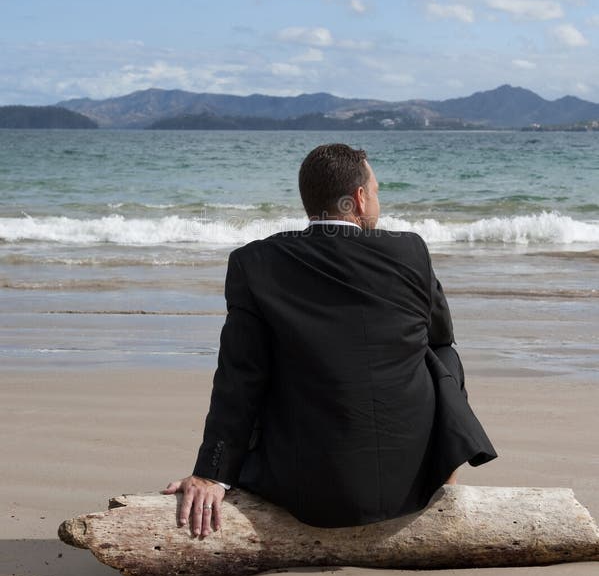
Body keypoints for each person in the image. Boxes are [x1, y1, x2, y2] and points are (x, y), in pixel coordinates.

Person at [164, 143, 496, 536]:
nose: (378, 200)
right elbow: (442, 336)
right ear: (358, 198)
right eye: (376, 192)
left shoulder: (254, 263)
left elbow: (240, 377)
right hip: (409, 480)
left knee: (272, 361)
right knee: (441, 354)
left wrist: (212, 473)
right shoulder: (410, 252)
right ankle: (444, 476)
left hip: (307, 487)